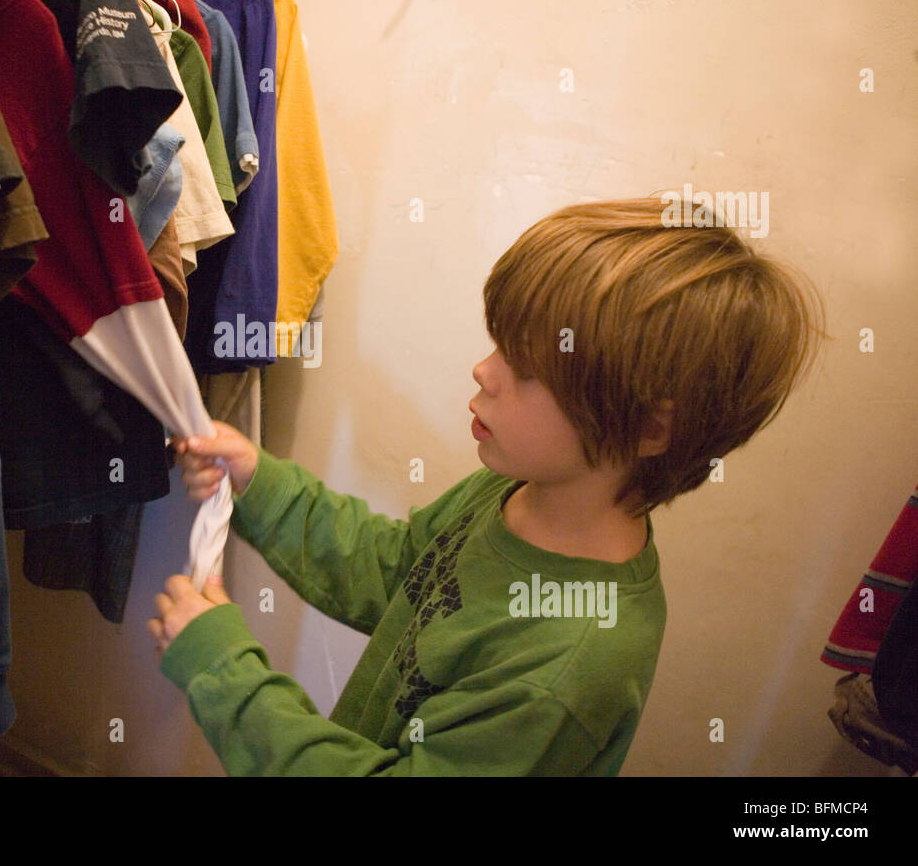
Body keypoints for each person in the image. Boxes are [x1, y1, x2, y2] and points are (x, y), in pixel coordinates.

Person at [149, 196, 827, 775]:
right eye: (498, 343)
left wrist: (223, 669)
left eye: (526, 368)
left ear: (650, 427)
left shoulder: (565, 667)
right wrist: (260, 481)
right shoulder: (516, 492)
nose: (483, 370)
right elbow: (395, 571)